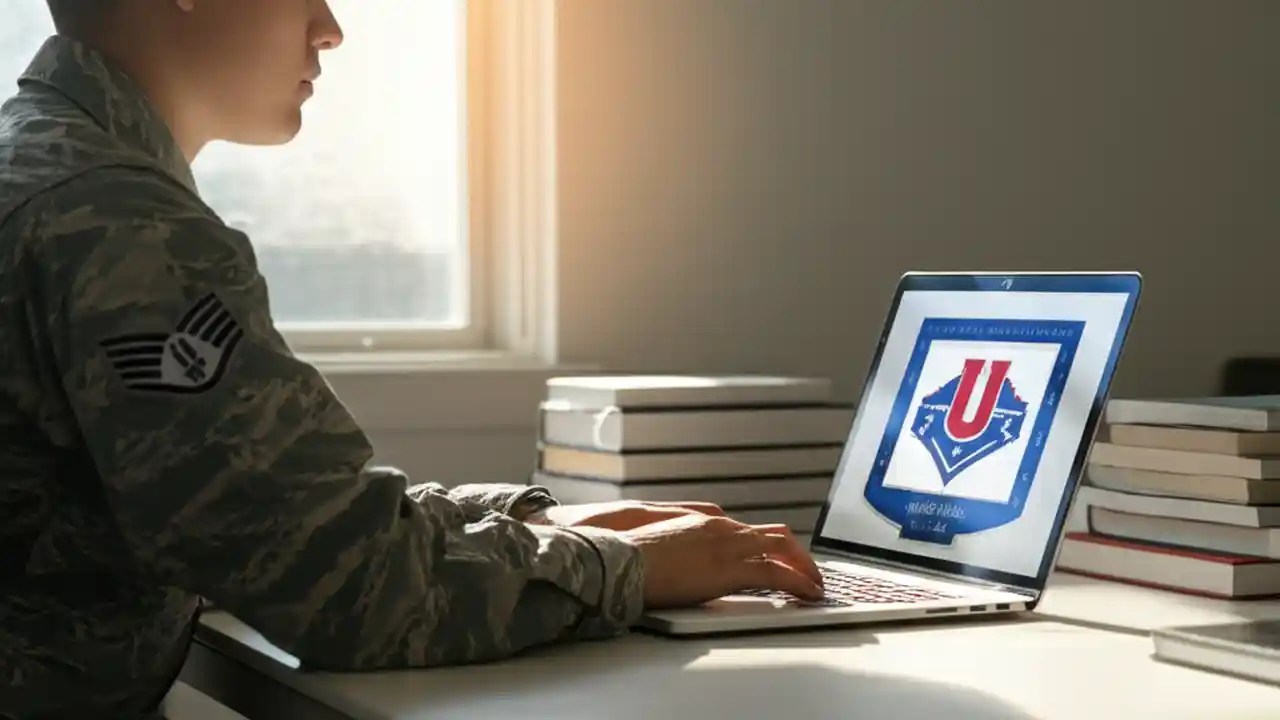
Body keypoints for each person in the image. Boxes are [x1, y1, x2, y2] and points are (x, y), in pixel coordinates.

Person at [0, 1, 825, 717]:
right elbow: (339, 586)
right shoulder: (117, 223)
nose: (330, 28)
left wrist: (526, 524)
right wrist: (627, 571)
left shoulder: (52, 168)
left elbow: (256, 522)